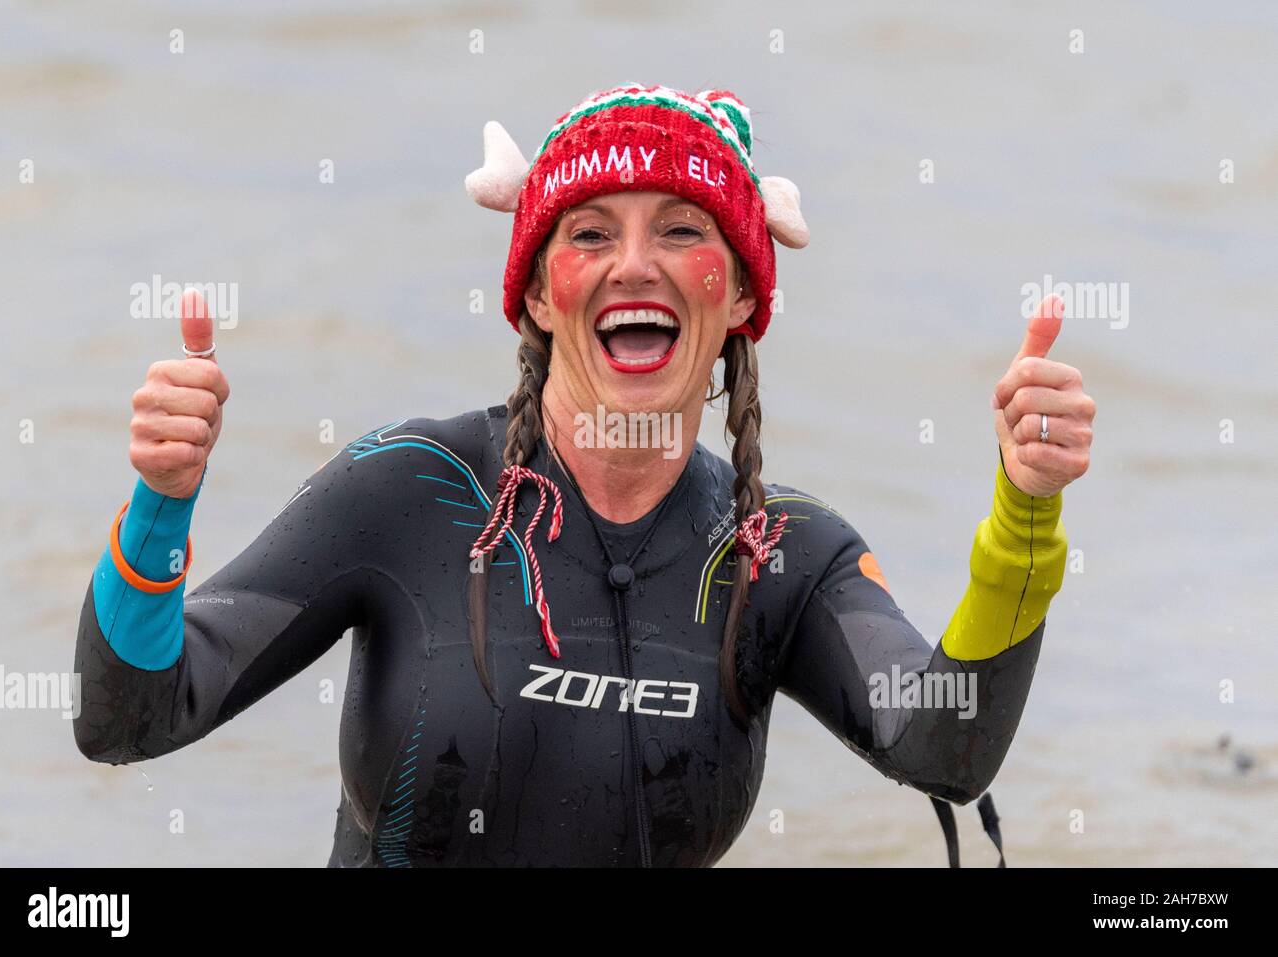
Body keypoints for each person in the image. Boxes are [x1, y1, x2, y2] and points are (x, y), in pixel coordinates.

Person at [73, 83, 1096, 867]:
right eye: (592, 232)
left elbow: (944, 750)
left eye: (682, 229)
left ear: (739, 295)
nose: (634, 265)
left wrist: (1025, 513)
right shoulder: (407, 492)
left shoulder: (780, 554)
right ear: (537, 298)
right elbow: (126, 719)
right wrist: (162, 502)